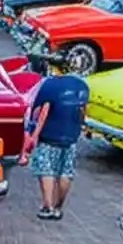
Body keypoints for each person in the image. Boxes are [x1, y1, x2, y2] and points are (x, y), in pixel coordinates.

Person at [20, 72, 89, 221]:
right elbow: (83, 112)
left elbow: (43, 112)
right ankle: (58, 208)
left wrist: (34, 135)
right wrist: (81, 128)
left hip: (49, 138)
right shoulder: (81, 88)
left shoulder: (51, 87)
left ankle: (47, 206)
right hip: (70, 139)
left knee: (47, 170)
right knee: (65, 172)